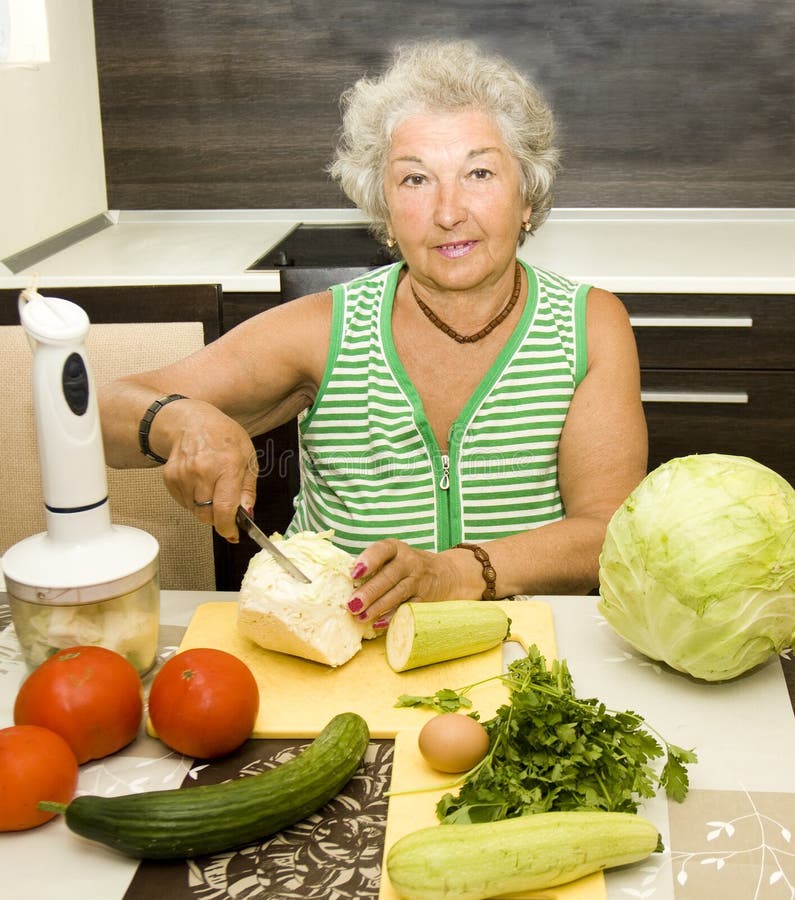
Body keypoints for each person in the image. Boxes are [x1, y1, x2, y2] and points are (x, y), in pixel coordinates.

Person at [99, 40, 647, 629]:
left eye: (479, 172)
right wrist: (183, 420)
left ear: (527, 198)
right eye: (415, 180)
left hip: (525, 648)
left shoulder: (588, 324)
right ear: (384, 213)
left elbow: (604, 534)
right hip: (342, 649)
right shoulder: (324, 328)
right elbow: (103, 416)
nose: (448, 211)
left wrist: (454, 574)